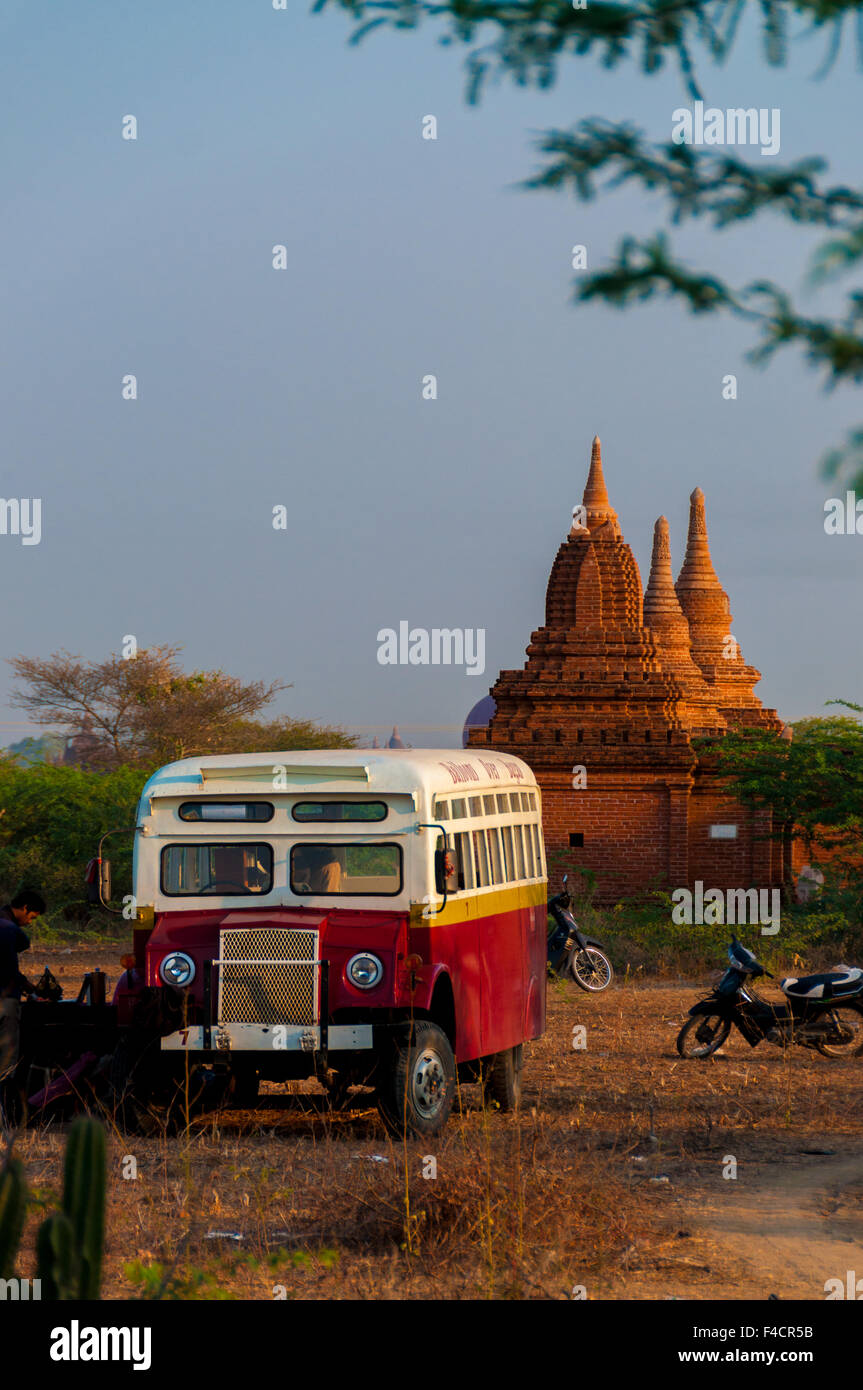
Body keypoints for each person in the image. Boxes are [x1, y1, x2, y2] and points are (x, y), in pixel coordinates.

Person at [0, 890, 46, 1102]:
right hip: (5, 1001)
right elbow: (8, 969)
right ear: (25, 907)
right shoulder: (8, 930)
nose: (29, 921)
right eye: (31, 917)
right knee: (6, 1059)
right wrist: (31, 987)